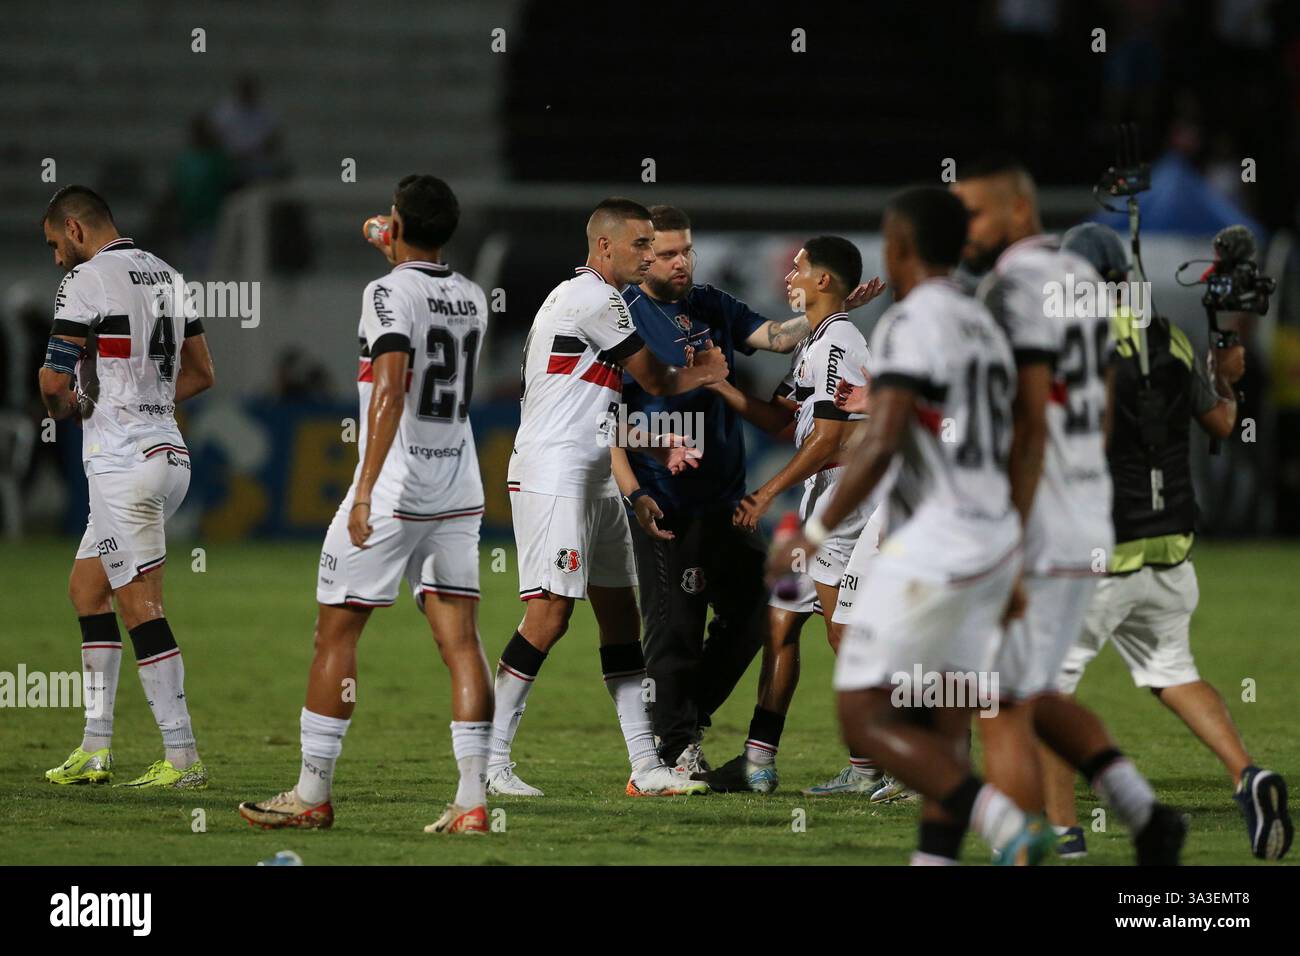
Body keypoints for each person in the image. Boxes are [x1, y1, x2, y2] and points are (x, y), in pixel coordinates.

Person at [773, 187, 1046, 864]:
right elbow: (1026, 435)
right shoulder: (984, 319)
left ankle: (1004, 822)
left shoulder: (908, 324)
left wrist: (810, 532)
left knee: (865, 710)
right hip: (989, 532)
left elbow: (882, 438)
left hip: (930, 535)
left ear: (899, 248)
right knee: (952, 705)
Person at [239, 175, 495, 834]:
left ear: (400, 225)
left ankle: (312, 793)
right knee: (462, 644)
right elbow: (411, 256)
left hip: (395, 490)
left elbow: (388, 387)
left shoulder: (385, 292)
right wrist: (393, 235)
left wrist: (362, 489)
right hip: (459, 489)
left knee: (336, 634)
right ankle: (471, 800)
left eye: (390, 218)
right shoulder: (471, 295)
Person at [952, 158, 1184, 865]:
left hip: (1039, 522)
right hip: (1085, 513)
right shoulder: (1082, 281)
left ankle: (1027, 849)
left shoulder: (1014, 286)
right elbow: (1105, 394)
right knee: (1021, 689)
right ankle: (1141, 809)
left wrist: (1009, 530)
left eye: (978, 215)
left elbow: (1024, 420)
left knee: (1001, 702)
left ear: (1020, 213)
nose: (967, 232)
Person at [1048, 222, 1292, 861]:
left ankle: (1063, 836)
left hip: (1103, 551)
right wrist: (1228, 373)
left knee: (1044, 693)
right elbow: (1221, 420)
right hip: (1173, 545)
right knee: (1173, 671)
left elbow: (1077, 440)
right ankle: (1248, 775)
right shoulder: (1171, 339)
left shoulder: (1077, 345)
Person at [610, 204, 883, 774]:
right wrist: (634, 488)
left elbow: (778, 339)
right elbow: (603, 415)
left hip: (724, 498)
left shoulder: (709, 303)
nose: (681, 262)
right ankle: (672, 749)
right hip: (667, 498)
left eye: (687, 250)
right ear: (641, 255)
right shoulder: (619, 316)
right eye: (667, 254)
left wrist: (827, 311)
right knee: (675, 629)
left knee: (763, 612)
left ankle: (707, 734)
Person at [487, 198, 728, 798]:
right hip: (554, 476)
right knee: (550, 616)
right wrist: (706, 372)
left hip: (593, 475)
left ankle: (645, 766)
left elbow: (597, 413)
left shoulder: (598, 301)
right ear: (604, 247)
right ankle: (488, 762)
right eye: (642, 244)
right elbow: (657, 380)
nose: (650, 254)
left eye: (655, 245)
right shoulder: (592, 297)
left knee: (620, 617)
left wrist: (643, 466)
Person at [39, 185, 215, 790]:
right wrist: (142, 405)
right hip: (166, 456)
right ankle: (95, 748)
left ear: (76, 230)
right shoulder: (170, 275)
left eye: (57, 244)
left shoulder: (85, 281)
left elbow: (52, 383)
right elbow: (202, 373)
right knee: (88, 591)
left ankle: (183, 757)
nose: (57, 258)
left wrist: (80, 404)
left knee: (141, 605)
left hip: (122, 467)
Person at [694, 237, 882, 797]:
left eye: (798, 270)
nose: (788, 279)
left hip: (846, 505)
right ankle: (758, 764)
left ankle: (878, 760)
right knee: (781, 622)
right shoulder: (816, 343)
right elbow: (781, 422)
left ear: (825, 281)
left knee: (843, 633)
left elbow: (827, 440)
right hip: (819, 502)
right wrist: (719, 383)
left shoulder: (838, 343)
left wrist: (764, 492)